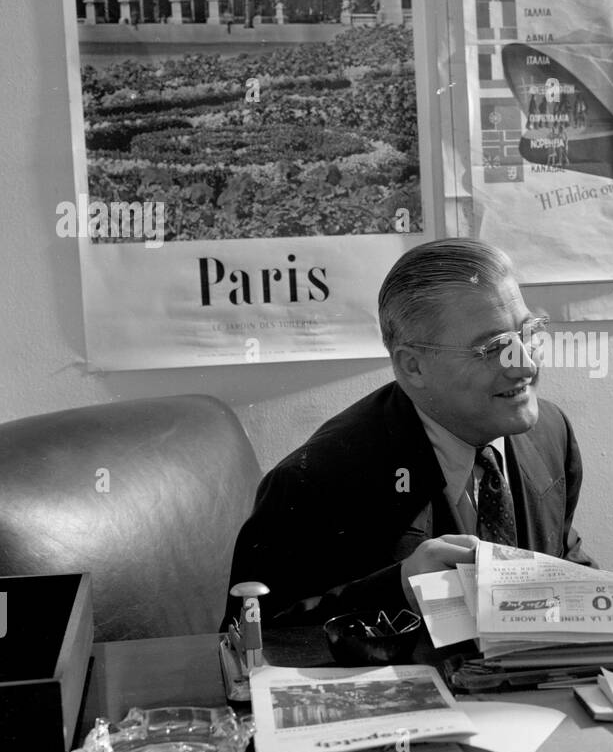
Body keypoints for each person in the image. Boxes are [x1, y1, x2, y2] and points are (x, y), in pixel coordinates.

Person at [224, 238, 593, 638]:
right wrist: (398, 588)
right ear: (413, 366)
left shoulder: (551, 433)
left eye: (528, 331)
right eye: (493, 347)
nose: (524, 364)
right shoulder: (312, 484)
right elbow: (247, 640)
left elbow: (563, 562)